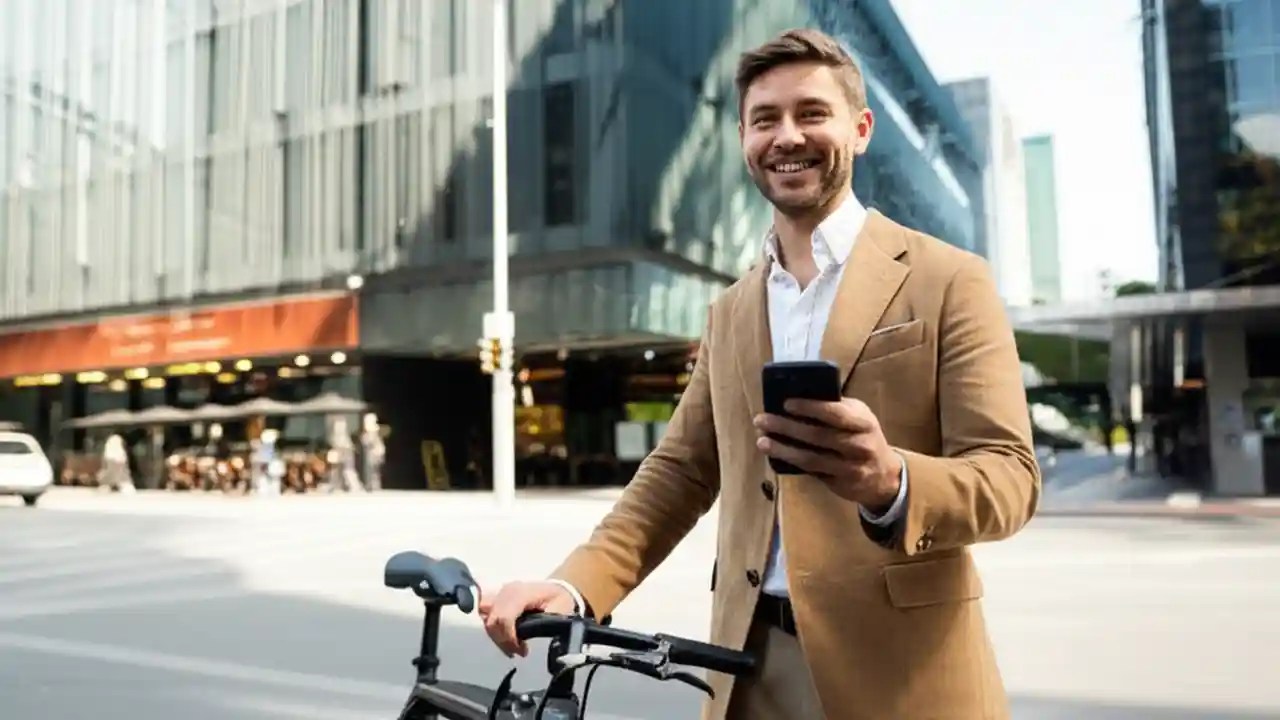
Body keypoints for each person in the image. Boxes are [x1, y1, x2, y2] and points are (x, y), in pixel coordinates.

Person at [479, 28, 1040, 720]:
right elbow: (679, 473)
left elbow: (1010, 476)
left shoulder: (949, 279)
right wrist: (575, 586)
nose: (788, 136)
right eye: (765, 119)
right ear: (743, 138)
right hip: (750, 667)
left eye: (812, 113)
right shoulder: (731, 311)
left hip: (904, 672)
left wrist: (891, 482)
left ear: (861, 130)